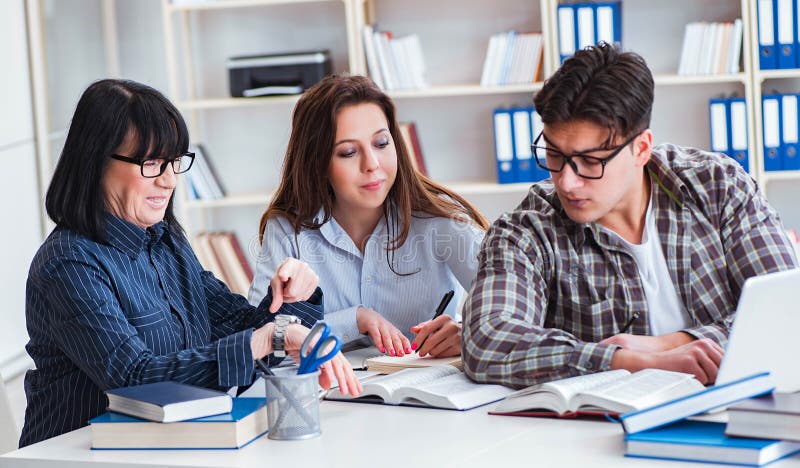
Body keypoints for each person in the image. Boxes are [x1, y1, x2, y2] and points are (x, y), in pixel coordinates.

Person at [20, 79, 360, 447]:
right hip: (73, 456)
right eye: (151, 163)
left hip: (168, 448)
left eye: (173, 163)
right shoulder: (68, 263)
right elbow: (135, 379)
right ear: (96, 161)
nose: (168, 181)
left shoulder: (165, 241)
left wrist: (296, 299)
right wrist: (270, 338)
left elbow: (241, 327)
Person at [462, 43, 799, 389]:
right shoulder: (527, 229)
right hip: (601, 434)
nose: (566, 181)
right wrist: (627, 361)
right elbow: (486, 340)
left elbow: (790, 313)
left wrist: (670, 345)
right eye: (553, 154)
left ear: (641, 148)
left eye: (591, 162)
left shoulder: (719, 186)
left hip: (734, 410)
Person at [249, 75, 488, 358]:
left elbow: (523, 306)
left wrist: (470, 335)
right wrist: (355, 320)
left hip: (425, 394)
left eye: (382, 143)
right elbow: (258, 336)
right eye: (348, 152)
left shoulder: (439, 218)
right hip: (329, 397)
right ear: (317, 162)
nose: (372, 164)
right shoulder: (289, 229)